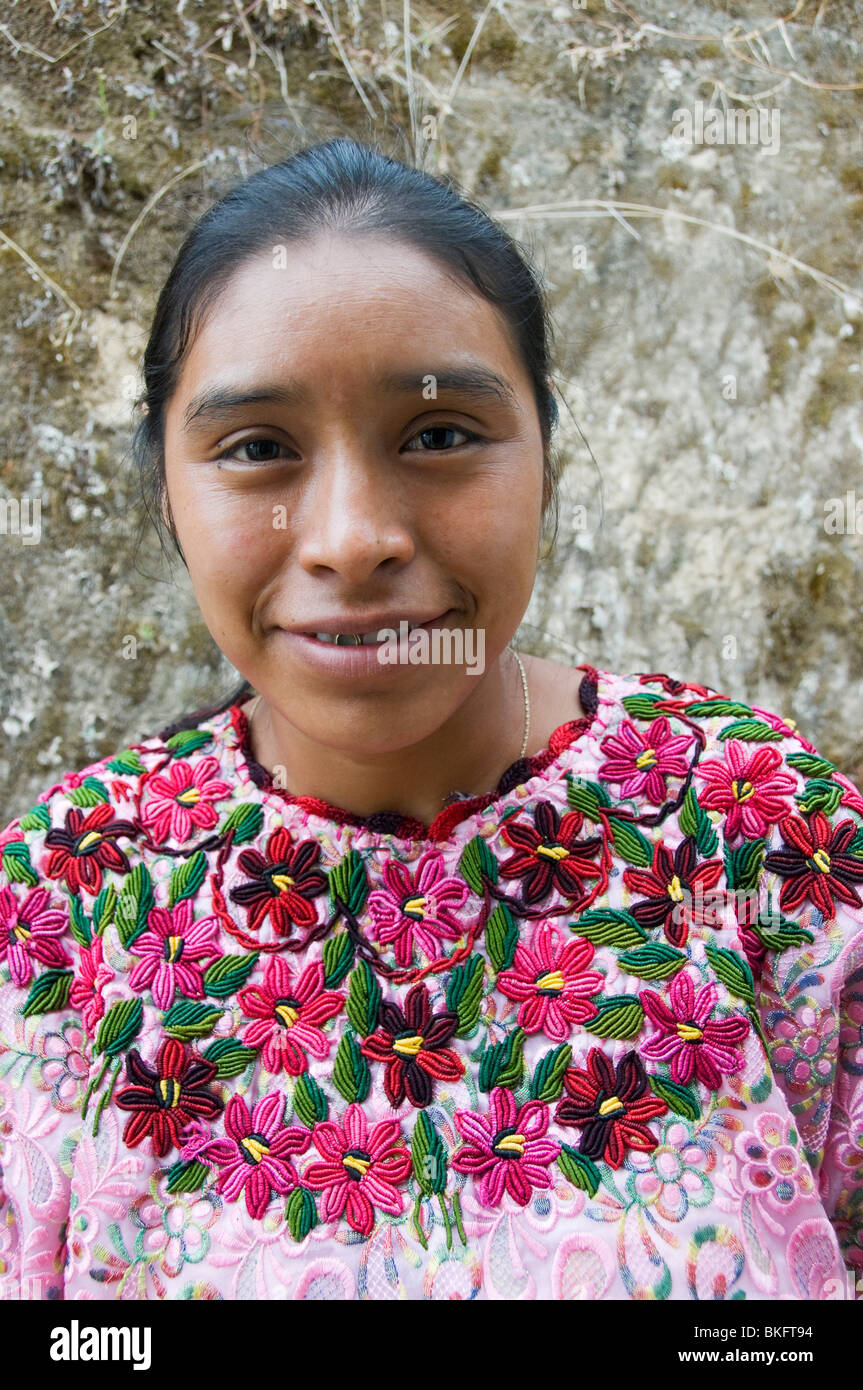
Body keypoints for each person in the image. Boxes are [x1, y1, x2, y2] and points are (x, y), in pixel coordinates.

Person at [1, 138, 861, 1302]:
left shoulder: (753, 823)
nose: (352, 538)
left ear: (544, 457)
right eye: (257, 449)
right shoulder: (64, 903)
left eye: (440, 434)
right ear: (167, 484)